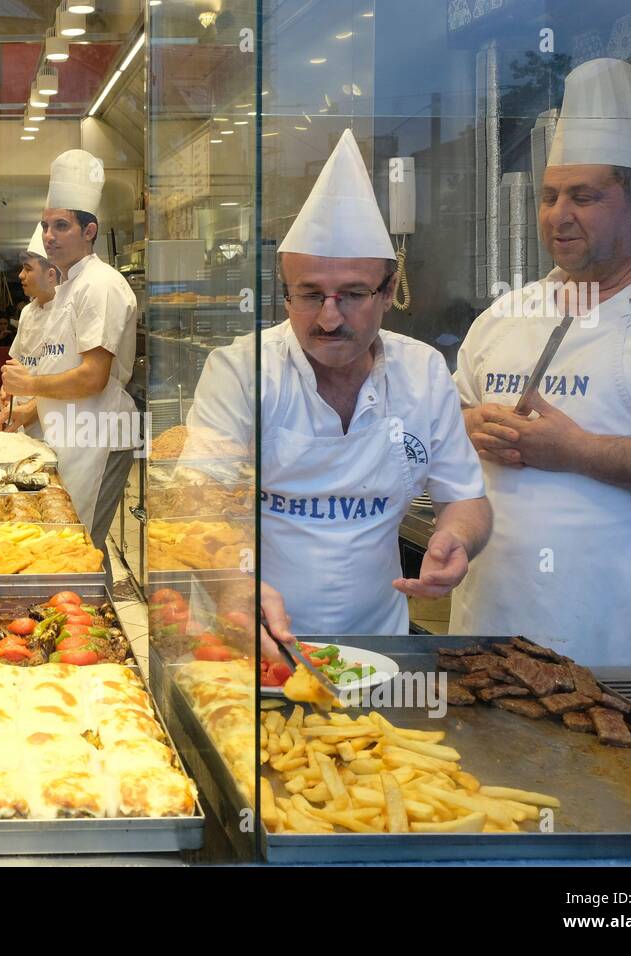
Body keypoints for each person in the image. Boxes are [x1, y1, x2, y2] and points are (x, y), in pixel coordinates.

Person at [451, 58, 631, 666]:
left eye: (584, 197)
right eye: (551, 195)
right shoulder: (504, 315)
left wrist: (577, 451)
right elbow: (440, 422)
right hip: (488, 632)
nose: (560, 214)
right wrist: (465, 426)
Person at [180, 128, 492, 660]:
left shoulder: (422, 373)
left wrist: (456, 540)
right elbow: (195, 503)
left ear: (390, 291)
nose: (328, 318)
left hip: (375, 649)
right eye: (308, 295)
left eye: (351, 295)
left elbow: (465, 498)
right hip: (244, 645)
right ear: (285, 292)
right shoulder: (240, 371)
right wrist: (235, 588)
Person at [0, 149, 140, 566]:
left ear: (90, 230)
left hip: (98, 435)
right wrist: (25, 412)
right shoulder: (67, 289)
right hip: (71, 434)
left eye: (61, 226)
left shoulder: (100, 285)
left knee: (80, 555)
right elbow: (61, 371)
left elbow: (93, 377)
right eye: (46, 226)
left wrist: (30, 387)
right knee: (64, 551)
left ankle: (93, 630)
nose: (49, 236)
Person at [0, 224, 61, 439]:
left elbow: (74, 381)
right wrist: (6, 389)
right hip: (22, 423)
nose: (21, 275)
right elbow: (19, 362)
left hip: (55, 425)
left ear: (51, 275)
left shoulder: (69, 312)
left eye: (28, 269)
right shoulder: (27, 312)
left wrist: (33, 409)